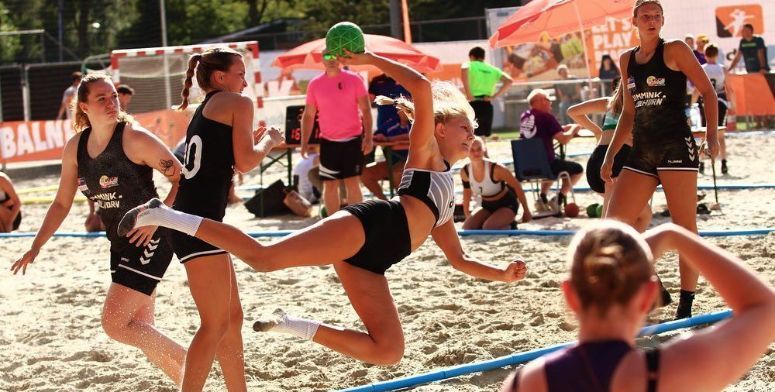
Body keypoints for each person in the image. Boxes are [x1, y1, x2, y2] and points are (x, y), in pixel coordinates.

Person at [118, 50, 528, 366]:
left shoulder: (448, 190)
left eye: (474, 130)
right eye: (465, 128)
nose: (472, 136)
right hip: (371, 227)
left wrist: (501, 276)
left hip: (375, 261)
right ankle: (166, 214)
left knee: (388, 351)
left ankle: (291, 324)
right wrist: (367, 60)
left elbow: (459, 258)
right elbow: (421, 87)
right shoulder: (425, 153)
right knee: (263, 259)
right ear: (439, 128)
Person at [10, 73, 186, 383]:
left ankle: (194, 356)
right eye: (101, 98)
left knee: (115, 324)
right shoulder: (75, 148)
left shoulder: (134, 138)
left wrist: (159, 214)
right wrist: (36, 245)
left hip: (152, 237)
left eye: (113, 96)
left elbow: (182, 179)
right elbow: (62, 203)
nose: (111, 103)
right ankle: (190, 385)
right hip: (118, 242)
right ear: (83, 106)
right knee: (142, 330)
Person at [501, 220, 775, 392]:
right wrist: (674, 235)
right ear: (648, 298)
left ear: (570, 295)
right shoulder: (673, 371)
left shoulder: (524, 383)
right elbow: (765, 307)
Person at [172, 47, 284, 391]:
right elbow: (248, 163)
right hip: (198, 222)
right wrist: (269, 141)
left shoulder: (207, 107)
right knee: (215, 323)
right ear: (220, 77)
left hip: (196, 220)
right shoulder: (237, 103)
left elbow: (228, 159)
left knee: (232, 318)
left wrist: (252, 142)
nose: (245, 81)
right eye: (240, 73)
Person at [602, 0, 719, 320]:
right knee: (613, 227)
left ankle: (686, 305)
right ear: (634, 21)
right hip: (642, 149)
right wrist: (611, 154)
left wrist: (711, 136)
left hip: (675, 148)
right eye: (646, 16)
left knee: (685, 228)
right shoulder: (627, 59)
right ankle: (652, 282)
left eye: (656, 16)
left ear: (663, 20)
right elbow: (627, 113)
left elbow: (708, 92)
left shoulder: (676, 50)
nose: (651, 20)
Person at [568, 81, 651, 231]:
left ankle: (626, 250)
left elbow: (572, 111)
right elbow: (632, 139)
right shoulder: (638, 106)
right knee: (625, 219)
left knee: (634, 215)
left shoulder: (609, 102)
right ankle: (624, 250)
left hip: (595, 163)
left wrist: (597, 131)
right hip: (616, 163)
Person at [301, 51, 373, 216]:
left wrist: (368, 137)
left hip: (353, 140)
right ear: (321, 59)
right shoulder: (315, 84)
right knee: (330, 184)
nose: (331, 59)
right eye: (327, 56)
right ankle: (332, 222)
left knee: (352, 183)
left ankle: (357, 220)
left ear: (340, 58)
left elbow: (366, 110)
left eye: (335, 56)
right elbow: (309, 115)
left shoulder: (354, 79)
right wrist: (304, 143)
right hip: (328, 142)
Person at [520, 89, 584, 211]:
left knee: (554, 161)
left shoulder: (525, 117)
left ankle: (542, 198)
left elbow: (543, 131)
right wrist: (574, 128)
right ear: (542, 101)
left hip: (527, 166)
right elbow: (563, 140)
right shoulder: (547, 117)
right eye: (549, 100)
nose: (551, 104)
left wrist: (562, 128)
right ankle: (559, 198)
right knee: (577, 169)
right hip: (546, 166)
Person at [461, 137, 531, 229]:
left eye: (479, 149)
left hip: (507, 204)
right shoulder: (465, 171)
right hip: (487, 206)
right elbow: (466, 192)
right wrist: (466, 213)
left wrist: (526, 210)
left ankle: (511, 224)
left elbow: (517, 186)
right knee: (467, 228)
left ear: (484, 149)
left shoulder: (496, 168)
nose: (476, 153)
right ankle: (497, 220)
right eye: (472, 150)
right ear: (467, 151)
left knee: (488, 227)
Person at [362, 74, 411, 200]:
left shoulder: (418, 123)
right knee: (364, 173)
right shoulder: (389, 123)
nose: (402, 108)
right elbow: (377, 136)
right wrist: (376, 138)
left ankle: (403, 206)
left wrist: (390, 140)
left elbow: (413, 137)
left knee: (397, 173)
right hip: (392, 163)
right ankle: (386, 203)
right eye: (400, 105)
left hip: (414, 164)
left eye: (406, 103)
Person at [693, 44, 731, 174]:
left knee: (705, 133)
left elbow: (697, 89)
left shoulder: (703, 68)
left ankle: (702, 162)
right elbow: (729, 88)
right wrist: (732, 104)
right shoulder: (722, 69)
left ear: (705, 54)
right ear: (716, 54)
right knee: (720, 135)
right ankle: (723, 163)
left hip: (706, 102)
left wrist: (692, 104)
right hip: (720, 101)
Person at [461, 46, 513, 138]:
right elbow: (509, 81)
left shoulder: (470, 65)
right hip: (487, 103)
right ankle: (483, 151)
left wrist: (468, 93)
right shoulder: (493, 69)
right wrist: (494, 96)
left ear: (472, 57)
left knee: (472, 133)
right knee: (484, 135)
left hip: (473, 103)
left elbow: (464, 69)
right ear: (483, 57)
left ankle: (476, 151)